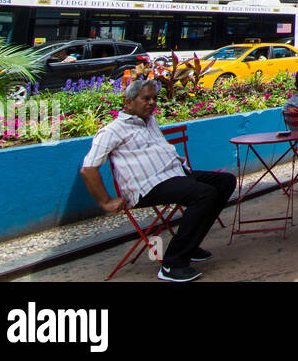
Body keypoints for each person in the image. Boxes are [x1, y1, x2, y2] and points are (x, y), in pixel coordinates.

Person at [80, 80, 237, 282]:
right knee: (204, 194)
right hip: (147, 187)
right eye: (146, 98)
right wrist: (106, 201)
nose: (152, 103)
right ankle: (172, 264)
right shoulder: (112, 131)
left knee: (225, 182)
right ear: (128, 102)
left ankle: (189, 246)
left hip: (174, 175)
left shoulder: (150, 120)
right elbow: (88, 168)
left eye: (154, 98)